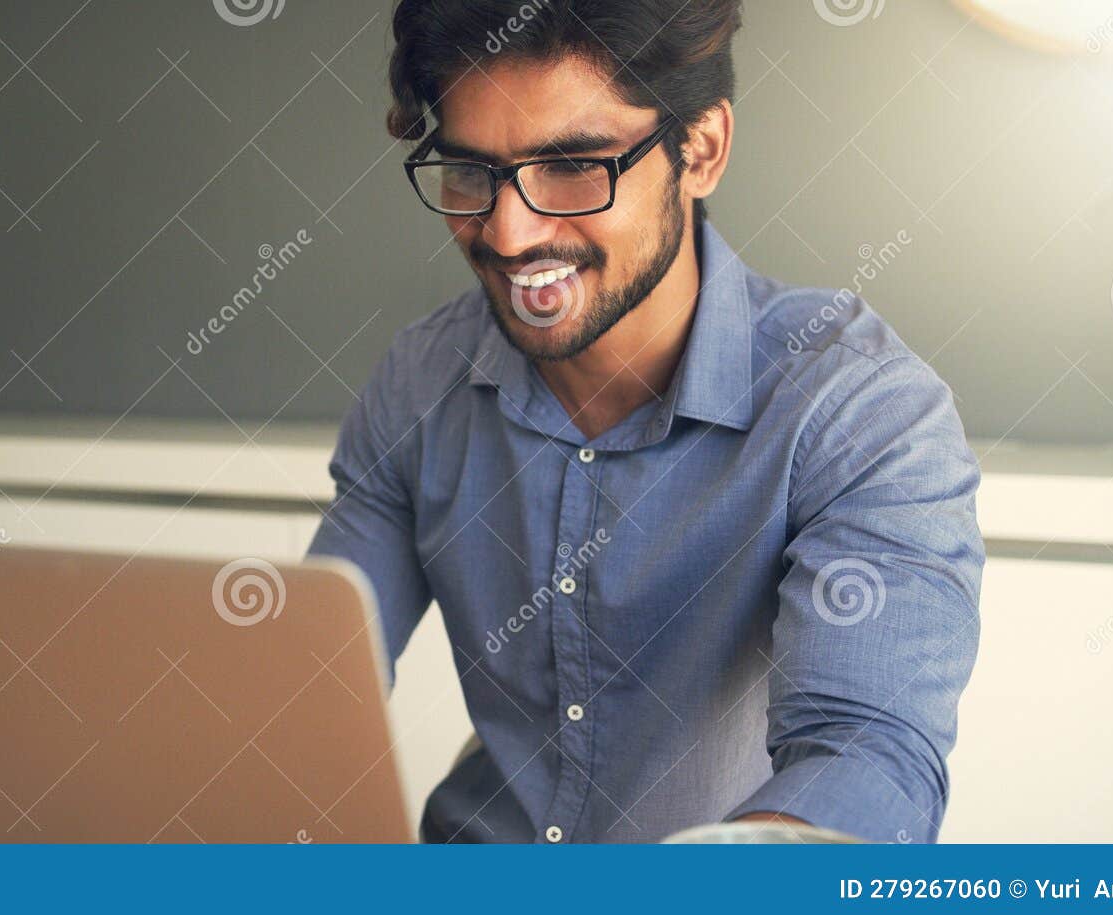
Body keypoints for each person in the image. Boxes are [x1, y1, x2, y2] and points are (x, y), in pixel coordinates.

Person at [308, 0, 982, 844]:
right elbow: (306, 689)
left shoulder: (857, 407)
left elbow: (867, 753)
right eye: (471, 171)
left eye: (573, 166)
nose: (511, 234)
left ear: (699, 150)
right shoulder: (420, 382)